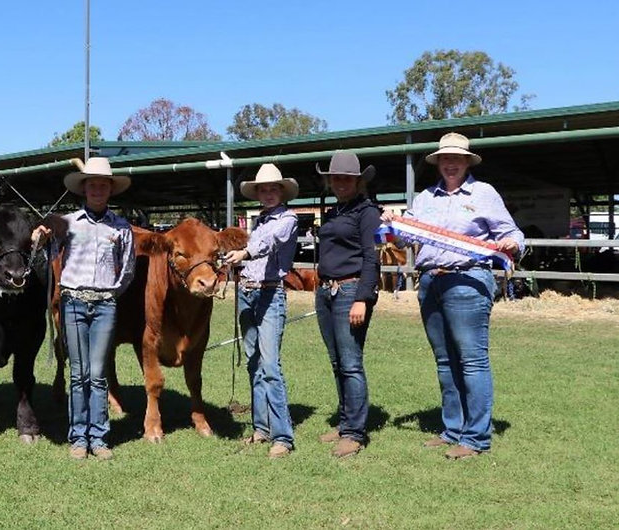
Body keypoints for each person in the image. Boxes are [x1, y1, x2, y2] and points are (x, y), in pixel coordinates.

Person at [383, 132, 523, 459]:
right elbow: (404, 240)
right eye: (445, 158)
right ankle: (452, 429)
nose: (450, 163)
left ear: (467, 162)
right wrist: (393, 224)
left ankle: (476, 438)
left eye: (456, 158)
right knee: (445, 361)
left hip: (467, 280)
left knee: (472, 360)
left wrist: (512, 244)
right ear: (438, 162)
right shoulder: (424, 198)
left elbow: (512, 232)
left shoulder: (484, 193)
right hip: (430, 281)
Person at [31, 157, 135, 460]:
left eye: (103, 185)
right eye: (92, 185)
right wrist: (39, 239)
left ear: (110, 189)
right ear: (84, 189)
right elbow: (47, 255)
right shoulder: (67, 223)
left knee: (98, 374)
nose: (97, 189)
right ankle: (78, 437)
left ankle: (99, 438)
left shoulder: (121, 227)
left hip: (104, 305)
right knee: (79, 374)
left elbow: (128, 268)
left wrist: (110, 292)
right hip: (73, 303)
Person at [224, 163, 299, 458]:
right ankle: (261, 428)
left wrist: (245, 252)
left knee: (270, 366)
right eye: (263, 189)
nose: (268, 194)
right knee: (253, 363)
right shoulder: (259, 221)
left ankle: (283, 437)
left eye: (273, 189)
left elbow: (270, 243)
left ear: (282, 192)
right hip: (247, 292)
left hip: (270, 294)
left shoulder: (288, 220)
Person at [313, 151, 381, 458]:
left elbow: (371, 257)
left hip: (350, 290)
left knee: (351, 363)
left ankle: (354, 432)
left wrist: (362, 298)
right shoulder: (334, 211)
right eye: (336, 178)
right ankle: (345, 423)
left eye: (346, 178)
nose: (340, 183)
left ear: (357, 181)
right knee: (337, 361)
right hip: (326, 291)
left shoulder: (367, 213)